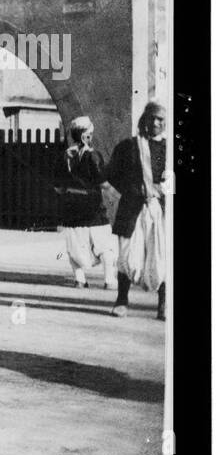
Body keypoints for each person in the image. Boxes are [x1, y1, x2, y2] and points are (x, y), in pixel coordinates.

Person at [106, 101, 170, 319]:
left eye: (160, 119)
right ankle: (122, 301)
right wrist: (132, 190)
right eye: (151, 118)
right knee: (126, 256)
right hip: (131, 210)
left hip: (159, 210)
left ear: (165, 122)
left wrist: (160, 191)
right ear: (144, 120)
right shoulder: (128, 147)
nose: (155, 122)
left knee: (161, 256)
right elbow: (112, 174)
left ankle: (163, 305)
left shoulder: (169, 149)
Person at [54, 116, 116, 289]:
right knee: (103, 244)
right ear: (85, 135)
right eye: (90, 134)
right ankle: (109, 280)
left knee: (74, 245)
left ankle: (80, 280)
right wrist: (115, 193)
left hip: (72, 208)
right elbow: (102, 182)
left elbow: (58, 188)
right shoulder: (93, 156)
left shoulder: (63, 158)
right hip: (93, 207)